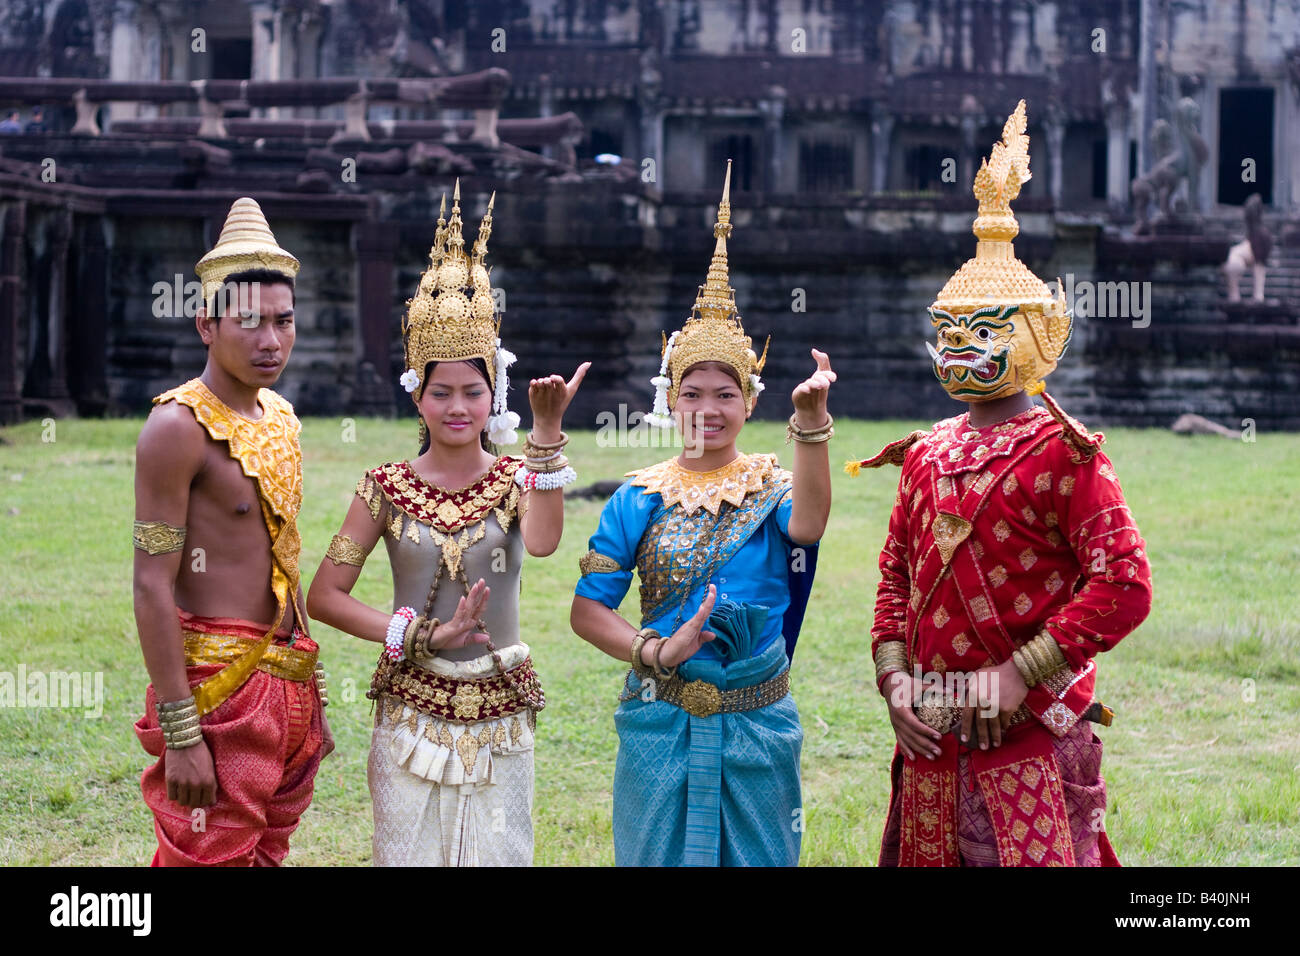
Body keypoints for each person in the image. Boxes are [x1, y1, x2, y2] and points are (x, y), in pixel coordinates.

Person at [847, 101, 1152, 867]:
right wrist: (894, 686)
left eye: (984, 333)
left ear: (1035, 337)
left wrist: (1020, 672)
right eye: (950, 334)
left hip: (1029, 734)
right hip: (928, 735)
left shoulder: (1065, 453)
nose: (961, 351)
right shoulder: (925, 452)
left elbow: (1124, 582)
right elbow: (895, 577)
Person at [307, 183, 588, 867]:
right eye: (441, 391)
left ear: (494, 394)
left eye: (472, 390)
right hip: (410, 708)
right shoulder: (385, 488)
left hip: (499, 712)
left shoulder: (518, 480)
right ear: (418, 395)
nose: (457, 406)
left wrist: (546, 438)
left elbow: (546, 542)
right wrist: (419, 632)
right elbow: (324, 598)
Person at [569, 160, 834, 866]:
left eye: (725, 393)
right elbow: (588, 609)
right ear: (669, 401)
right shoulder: (637, 497)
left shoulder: (773, 487)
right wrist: (652, 652)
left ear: (749, 401)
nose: (708, 410)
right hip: (661, 709)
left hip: (757, 713)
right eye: (692, 393)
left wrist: (811, 427)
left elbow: (807, 528)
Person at [132, 197, 332, 866]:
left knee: (264, 854)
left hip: (286, 676)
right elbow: (151, 584)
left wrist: (310, 685)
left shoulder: (281, 416)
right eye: (249, 323)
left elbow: (284, 557)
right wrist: (182, 731)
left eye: (284, 322)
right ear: (206, 325)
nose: (270, 340)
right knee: (207, 855)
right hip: (218, 686)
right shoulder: (176, 429)